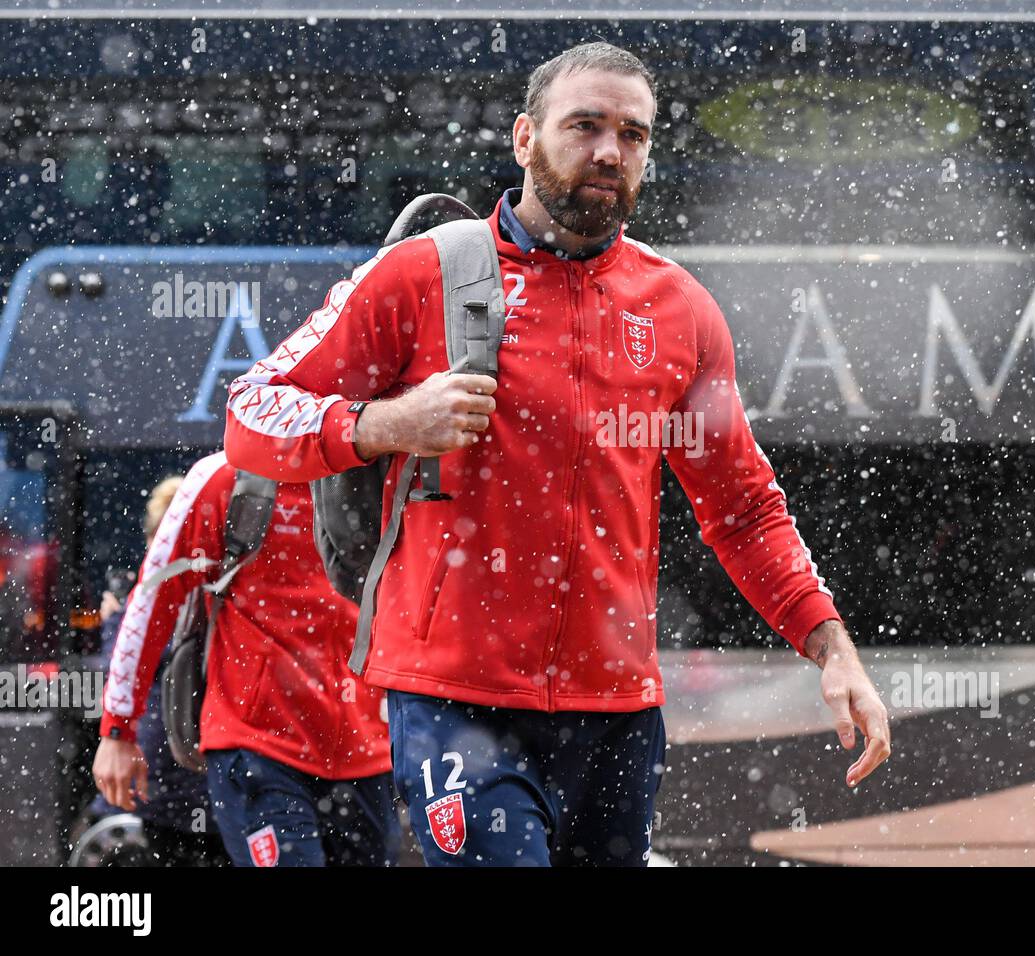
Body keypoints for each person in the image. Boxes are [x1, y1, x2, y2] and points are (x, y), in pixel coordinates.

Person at [224, 41, 890, 867]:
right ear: (523, 138)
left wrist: (831, 647)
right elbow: (250, 411)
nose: (610, 151)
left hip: (618, 713)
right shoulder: (419, 274)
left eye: (633, 134)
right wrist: (382, 424)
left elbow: (744, 506)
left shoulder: (681, 310)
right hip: (455, 701)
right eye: (585, 126)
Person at [92, 451, 400, 866]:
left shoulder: (386, 467)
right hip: (258, 746)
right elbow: (151, 602)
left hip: (367, 751)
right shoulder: (223, 479)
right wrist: (117, 729)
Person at [90, 475, 228, 865]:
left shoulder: (167, 595)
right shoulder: (224, 587)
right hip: (207, 768)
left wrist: (114, 624)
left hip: (168, 768)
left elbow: (130, 667)